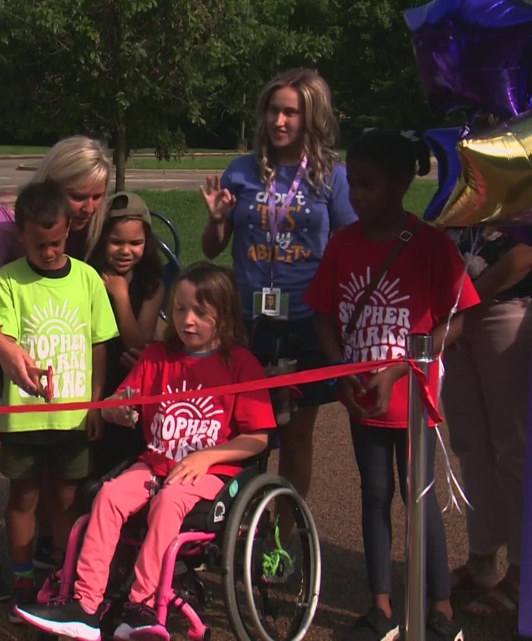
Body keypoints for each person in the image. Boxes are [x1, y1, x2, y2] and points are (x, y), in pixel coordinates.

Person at [13, 262, 276, 641]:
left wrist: (208, 456)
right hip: (155, 462)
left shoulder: (239, 364)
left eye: (201, 312)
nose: (188, 320)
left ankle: (145, 605)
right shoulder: (157, 356)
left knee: (169, 501)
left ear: (224, 315)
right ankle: (85, 604)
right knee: (109, 495)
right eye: (181, 308)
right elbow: (116, 402)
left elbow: (259, 438)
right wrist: (118, 408)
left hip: (210, 473)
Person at [304, 128, 479, 641]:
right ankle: (379, 607)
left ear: (402, 183)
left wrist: (402, 367)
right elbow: (322, 314)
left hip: (411, 400)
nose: (357, 197)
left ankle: (439, 607)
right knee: (374, 494)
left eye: (369, 186)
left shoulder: (429, 244)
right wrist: (341, 370)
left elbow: (460, 314)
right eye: (352, 185)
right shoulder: (343, 244)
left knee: (418, 495)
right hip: (363, 398)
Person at [0, 136, 112, 602]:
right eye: (79, 195)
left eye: (97, 196)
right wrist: (3, 347)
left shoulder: (79, 229)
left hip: (49, 340)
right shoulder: (3, 222)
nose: (88, 206)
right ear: (52, 184)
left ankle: (48, 546)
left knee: (55, 460)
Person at [200, 68, 356, 502]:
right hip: (248, 320)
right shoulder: (242, 171)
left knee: (297, 436)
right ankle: (241, 525)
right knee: (246, 432)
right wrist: (216, 220)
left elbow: (348, 245)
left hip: (306, 321)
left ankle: (284, 538)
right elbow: (213, 248)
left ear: (312, 118)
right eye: (274, 110)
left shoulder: (331, 176)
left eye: (291, 112)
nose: (280, 121)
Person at [0, 180, 118, 619]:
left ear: (68, 234)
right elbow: (4, 339)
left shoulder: (87, 279)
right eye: (40, 244)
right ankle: (23, 576)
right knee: (23, 497)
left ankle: (63, 577)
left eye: (57, 243)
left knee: (66, 499)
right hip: (23, 417)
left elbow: (101, 343)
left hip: (73, 416)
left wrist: (97, 403)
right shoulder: (7, 282)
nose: (49, 252)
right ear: (21, 234)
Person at [444, 230, 532, 617]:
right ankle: (482, 559)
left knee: (514, 448)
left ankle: (522, 572)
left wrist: (470, 305)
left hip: (506, 304)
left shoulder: (518, 173)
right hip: (457, 315)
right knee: (471, 444)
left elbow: (524, 255)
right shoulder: (457, 175)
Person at [85, 191, 165, 476]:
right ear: (102, 239)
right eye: (116, 242)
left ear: (147, 243)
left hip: (130, 383)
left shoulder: (151, 282)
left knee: (127, 459)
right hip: (95, 378)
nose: (125, 250)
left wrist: (120, 296)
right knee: (92, 460)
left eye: (135, 243)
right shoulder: (89, 274)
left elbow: (138, 342)